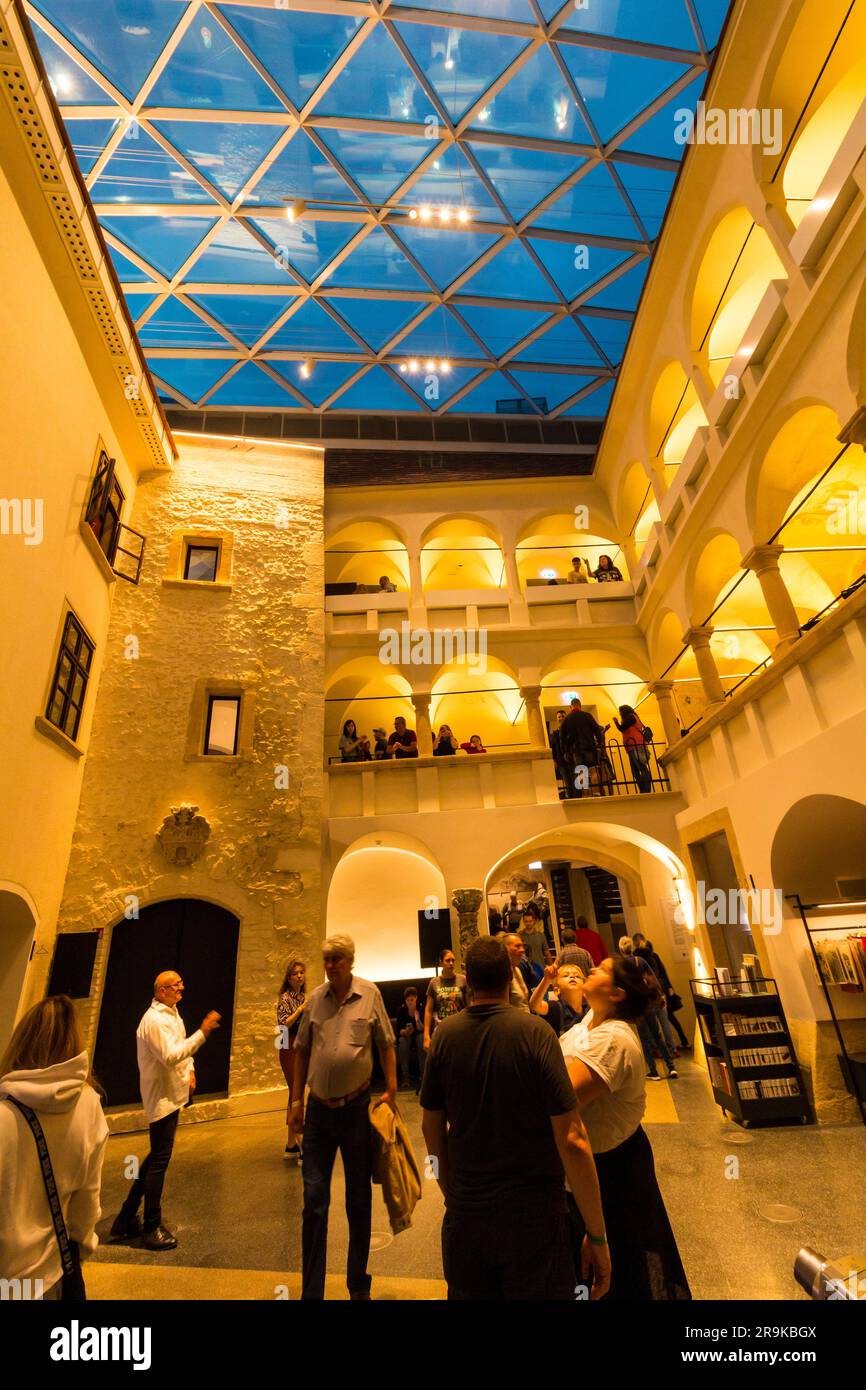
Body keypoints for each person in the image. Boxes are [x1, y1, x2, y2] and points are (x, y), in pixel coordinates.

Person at [420, 935, 610, 1300]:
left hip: (468, 1216)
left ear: (468, 982)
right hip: (533, 1216)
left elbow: (431, 1128)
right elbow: (572, 1138)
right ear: (510, 977)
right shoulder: (535, 1033)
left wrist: (452, 1193)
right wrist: (597, 1235)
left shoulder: (445, 1036)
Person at [558, 956, 691, 1300]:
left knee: (618, 1271)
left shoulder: (614, 1040)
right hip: (593, 1166)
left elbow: (560, 1096)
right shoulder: (592, 1020)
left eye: (599, 970)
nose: (589, 971)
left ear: (616, 993)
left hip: (612, 1172)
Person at [290, 935, 396, 1301]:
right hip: (318, 1111)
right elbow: (301, 1049)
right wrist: (295, 1102)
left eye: (337, 959)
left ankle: (358, 1284)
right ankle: (311, 1292)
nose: (330, 965)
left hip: (355, 1110)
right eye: (326, 959)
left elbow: (386, 1042)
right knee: (314, 1200)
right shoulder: (315, 999)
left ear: (350, 961)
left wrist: (392, 1091)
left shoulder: (370, 994)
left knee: (358, 1199)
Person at [0, 996, 108, 1300]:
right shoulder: (89, 1104)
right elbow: (87, 1203)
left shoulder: (4, 1115)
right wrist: (80, 1246)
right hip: (53, 1274)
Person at [110, 971, 221, 1250]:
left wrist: (191, 1070)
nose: (182, 987)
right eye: (176, 985)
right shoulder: (155, 1021)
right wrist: (203, 1032)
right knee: (158, 1162)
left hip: (173, 1093)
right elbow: (170, 1056)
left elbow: (181, 1048)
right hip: (161, 1098)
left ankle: (125, 1217)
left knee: (154, 1158)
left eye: (182, 983)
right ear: (161, 991)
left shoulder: (172, 1012)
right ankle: (151, 1226)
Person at [618, 939, 677, 1080]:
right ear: (632, 948)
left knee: (643, 1039)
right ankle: (671, 1067)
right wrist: (660, 995)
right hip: (648, 1003)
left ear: (621, 950)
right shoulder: (640, 961)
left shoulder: (622, 966)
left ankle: (653, 1071)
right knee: (657, 1035)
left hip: (635, 1006)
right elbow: (653, 979)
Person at [634, 936, 688, 1051]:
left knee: (654, 1022)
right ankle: (675, 1045)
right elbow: (662, 972)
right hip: (661, 990)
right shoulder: (654, 956)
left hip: (650, 991)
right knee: (668, 1019)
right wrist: (669, 987)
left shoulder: (637, 958)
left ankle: (660, 1048)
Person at [277, 959, 306, 1159]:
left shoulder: (304, 996)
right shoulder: (285, 998)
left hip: (301, 1046)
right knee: (297, 1093)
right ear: (289, 977)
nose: (299, 976)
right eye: (295, 973)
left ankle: (290, 1146)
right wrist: (302, 1009)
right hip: (287, 1045)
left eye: (301, 972)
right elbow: (283, 1025)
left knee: (294, 1094)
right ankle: (303, 1144)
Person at [559, 699, 607, 799]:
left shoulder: (567, 719)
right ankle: (596, 792)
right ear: (580, 706)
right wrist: (599, 743)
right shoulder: (587, 715)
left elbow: (562, 737)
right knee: (593, 770)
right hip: (590, 747)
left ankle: (585, 794)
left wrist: (565, 751)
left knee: (581, 771)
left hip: (576, 750)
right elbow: (597, 730)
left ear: (570, 707)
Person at [424, 949, 467, 1051]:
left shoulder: (463, 980)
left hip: (460, 1027)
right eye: (448, 961)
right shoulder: (434, 982)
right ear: (441, 962)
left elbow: (469, 1005)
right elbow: (428, 1010)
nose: (451, 963)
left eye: (453, 960)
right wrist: (426, 1035)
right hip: (442, 1028)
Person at [530, 962, 585, 1035]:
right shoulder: (556, 1007)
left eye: (577, 976)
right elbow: (534, 1005)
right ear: (557, 990)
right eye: (566, 975)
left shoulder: (589, 1008)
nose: (572, 976)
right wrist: (546, 979)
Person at [615, 705, 652, 794]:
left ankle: (646, 790)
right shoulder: (633, 717)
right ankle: (643, 789)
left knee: (641, 767)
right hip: (632, 746)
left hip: (636, 744)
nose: (620, 714)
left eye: (620, 712)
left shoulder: (630, 717)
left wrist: (616, 722)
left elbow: (622, 728)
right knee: (635, 770)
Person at [396, 987, 425, 1092]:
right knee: (403, 1042)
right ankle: (405, 1076)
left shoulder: (421, 1008)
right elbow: (399, 1030)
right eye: (408, 1000)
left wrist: (417, 1019)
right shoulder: (402, 1009)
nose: (410, 1002)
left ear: (416, 998)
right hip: (407, 1035)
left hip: (418, 1033)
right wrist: (406, 1032)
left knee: (422, 1039)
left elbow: (423, 1029)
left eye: (412, 1000)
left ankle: (423, 1075)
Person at [498, 932, 533, 1011]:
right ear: (505, 948)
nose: (522, 950)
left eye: (522, 946)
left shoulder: (517, 970)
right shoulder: (501, 974)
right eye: (517, 946)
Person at [519, 904, 547, 977]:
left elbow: (546, 952)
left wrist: (551, 965)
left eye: (530, 921)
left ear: (534, 921)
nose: (528, 923)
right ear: (523, 922)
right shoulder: (519, 936)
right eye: (526, 921)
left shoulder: (541, 935)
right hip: (525, 970)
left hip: (540, 968)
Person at [550, 709, 570, 793]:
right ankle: (570, 798)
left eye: (562, 716)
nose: (561, 718)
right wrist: (554, 760)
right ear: (557, 719)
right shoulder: (554, 734)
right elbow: (553, 748)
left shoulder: (570, 730)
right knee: (567, 781)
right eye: (559, 717)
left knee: (576, 781)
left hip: (571, 759)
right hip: (560, 761)